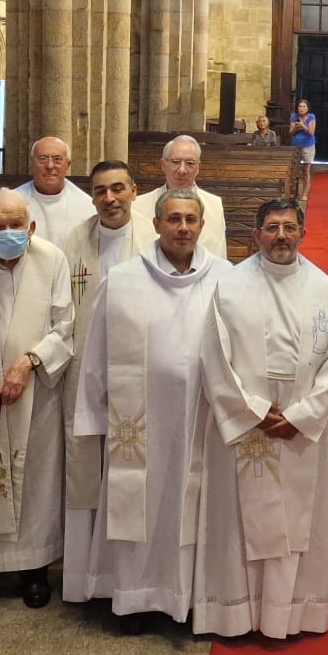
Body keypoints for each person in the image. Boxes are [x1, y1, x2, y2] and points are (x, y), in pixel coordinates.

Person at [74, 187, 226, 627]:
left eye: (190, 220)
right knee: (136, 504)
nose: (182, 228)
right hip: (140, 421)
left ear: (202, 226)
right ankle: (133, 597)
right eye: (173, 219)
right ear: (156, 224)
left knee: (190, 506)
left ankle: (189, 597)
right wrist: (93, 413)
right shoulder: (123, 280)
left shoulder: (225, 278)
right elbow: (96, 348)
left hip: (200, 419)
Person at [195, 198, 328, 639]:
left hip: (299, 422)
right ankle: (238, 614)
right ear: (256, 234)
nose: (282, 236)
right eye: (273, 227)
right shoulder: (229, 286)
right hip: (248, 420)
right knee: (239, 521)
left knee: (298, 520)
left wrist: (302, 415)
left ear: (303, 233)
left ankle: (291, 614)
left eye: (289, 227)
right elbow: (214, 354)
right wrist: (255, 412)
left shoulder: (327, 290)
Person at [0, 188, 74, 609]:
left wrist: (29, 362)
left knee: (36, 477)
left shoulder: (52, 260)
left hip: (34, 394)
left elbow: (65, 325)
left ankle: (34, 569)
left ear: (32, 227)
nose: (9, 232)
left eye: (16, 225)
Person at [61, 160, 157, 602]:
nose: (110, 198)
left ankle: (129, 575)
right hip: (83, 367)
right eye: (100, 191)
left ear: (134, 191)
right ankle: (84, 576)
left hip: (140, 374)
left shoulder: (153, 240)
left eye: (118, 188)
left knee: (132, 470)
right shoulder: (73, 241)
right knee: (85, 468)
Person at [133, 134, 228, 259]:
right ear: (163, 165)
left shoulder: (214, 205)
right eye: (175, 162)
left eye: (190, 163)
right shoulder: (139, 205)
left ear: (198, 167)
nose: (182, 170)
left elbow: (219, 255)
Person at [14, 135, 95, 243]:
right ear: (32, 163)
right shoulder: (11, 201)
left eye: (57, 159)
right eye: (42, 159)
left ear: (68, 165)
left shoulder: (87, 206)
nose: (50, 166)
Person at [287, 99, 317, 200]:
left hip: (308, 145)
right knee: (294, 170)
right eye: (300, 106)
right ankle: (294, 192)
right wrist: (295, 127)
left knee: (306, 170)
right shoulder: (294, 116)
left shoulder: (311, 117)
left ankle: (305, 193)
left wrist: (303, 126)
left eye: (304, 106)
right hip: (296, 145)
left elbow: (311, 133)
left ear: (307, 108)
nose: (302, 108)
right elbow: (290, 133)